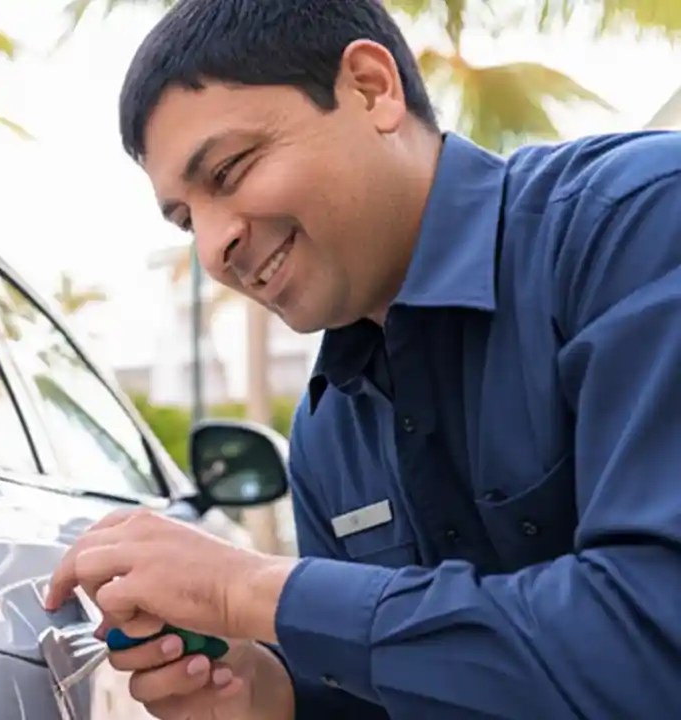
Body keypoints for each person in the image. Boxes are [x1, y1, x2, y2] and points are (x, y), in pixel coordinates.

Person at [44, 0, 681, 717]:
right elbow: (386, 693)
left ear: (372, 89)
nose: (214, 248)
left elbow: (656, 639)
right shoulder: (327, 430)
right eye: (188, 219)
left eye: (229, 170)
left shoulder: (637, 224)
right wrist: (269, 697)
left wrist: (247, 590)